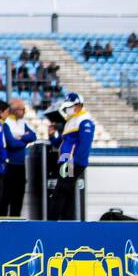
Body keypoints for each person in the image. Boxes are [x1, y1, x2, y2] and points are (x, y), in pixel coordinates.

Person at [48, 93, 94, 221]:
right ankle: (66, 221)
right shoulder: (71, 120)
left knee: (60, 191)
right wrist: (52, 136)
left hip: (71, 162)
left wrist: (74, 163)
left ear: (78, 106)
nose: (67, 109)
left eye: (70, 106)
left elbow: (84, 146)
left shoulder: (84, 121)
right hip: (66, 161)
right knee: (66, 192)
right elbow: (62, 142)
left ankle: (52, 222)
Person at [1, 98, 37, 218]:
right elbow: (11, 143)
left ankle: (15, 221)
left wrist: (20, 139)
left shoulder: (22, 123)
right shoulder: (6, 124)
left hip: (20, 165)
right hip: (10, 165)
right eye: (22, 109)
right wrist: (24, 141)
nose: (24, 112)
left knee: (18, 196)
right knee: (6, 196)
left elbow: (33, 136)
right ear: (14, 110)